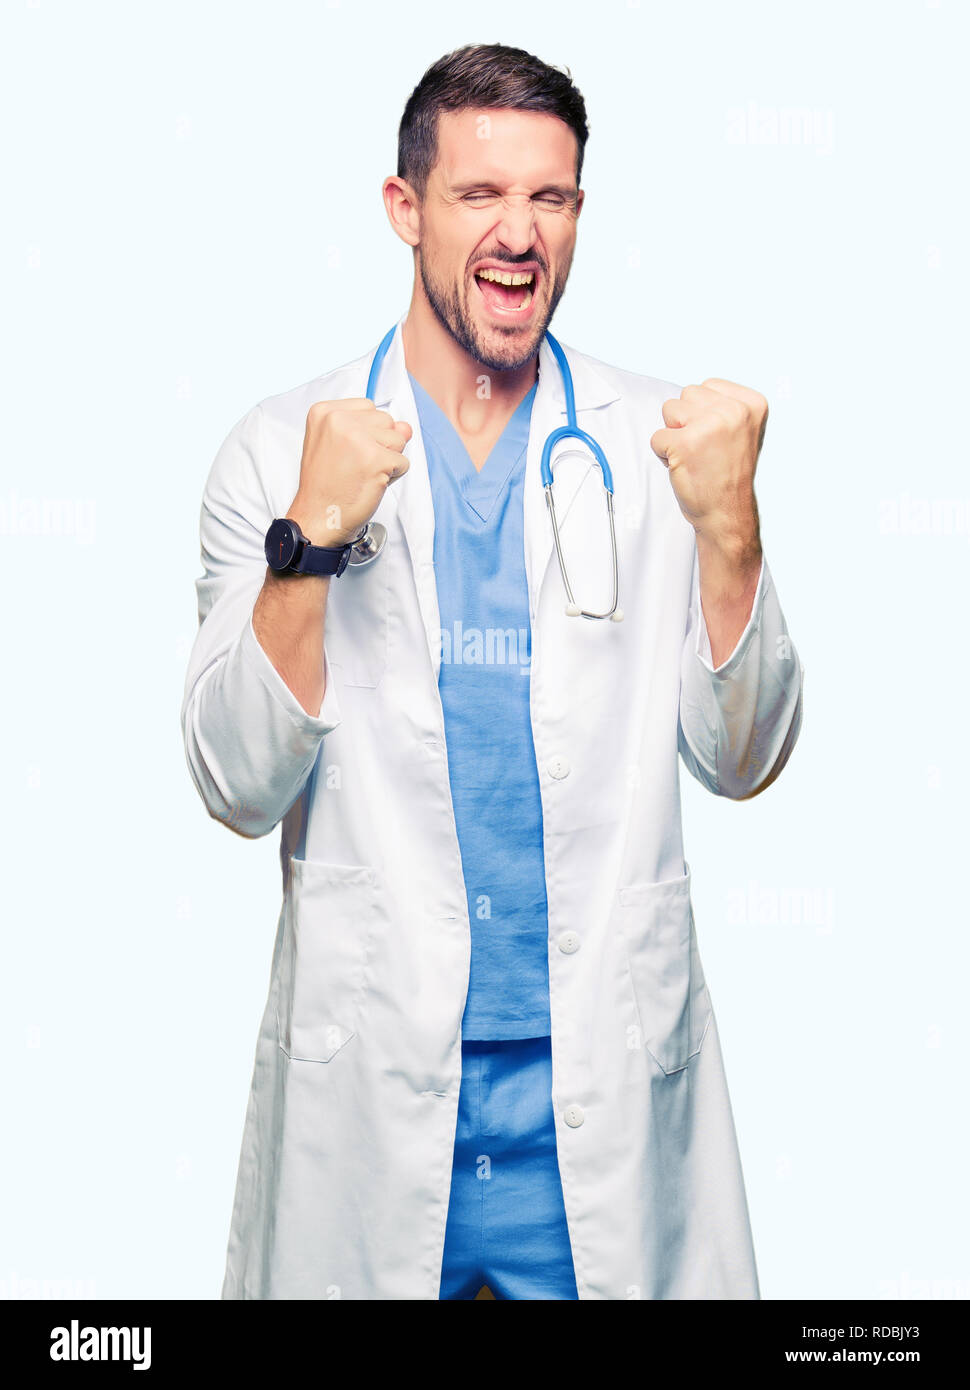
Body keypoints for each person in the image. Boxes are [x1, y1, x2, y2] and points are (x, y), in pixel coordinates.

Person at [180, 42, 804, 1301]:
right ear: (405, 210)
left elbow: (743, 760)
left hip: (602, 1092)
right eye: (479, 195)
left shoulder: (666, 443)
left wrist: (732, 533)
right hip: (376, 1092)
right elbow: (235, 782)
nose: (519, 233)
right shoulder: (276, 451)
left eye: (551, 197)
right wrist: (307, 542)